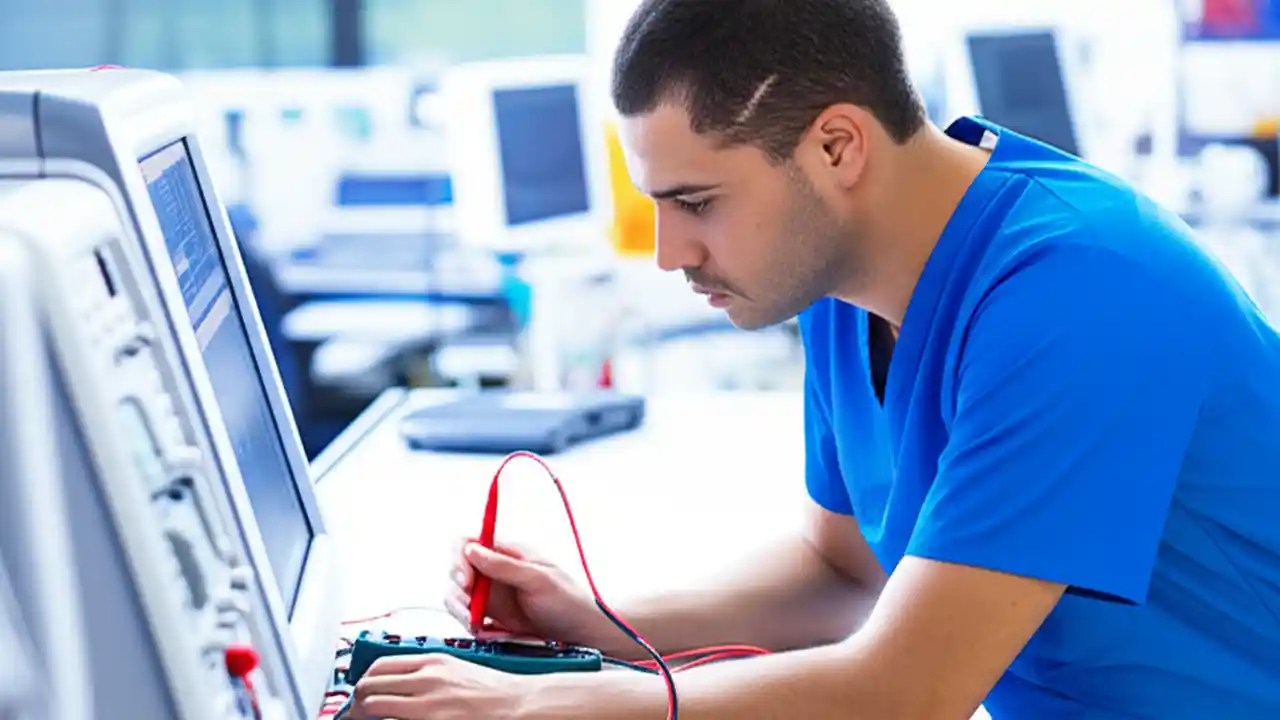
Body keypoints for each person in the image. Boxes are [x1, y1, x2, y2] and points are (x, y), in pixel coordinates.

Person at [347, 1, 1280, 718]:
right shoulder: (845, 278)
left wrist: (574, 701)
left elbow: (906, 693)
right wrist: (601, 628)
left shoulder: (1077, 290)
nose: (670, 251)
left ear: (836, 145)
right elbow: (844, 576)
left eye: (698, 202)